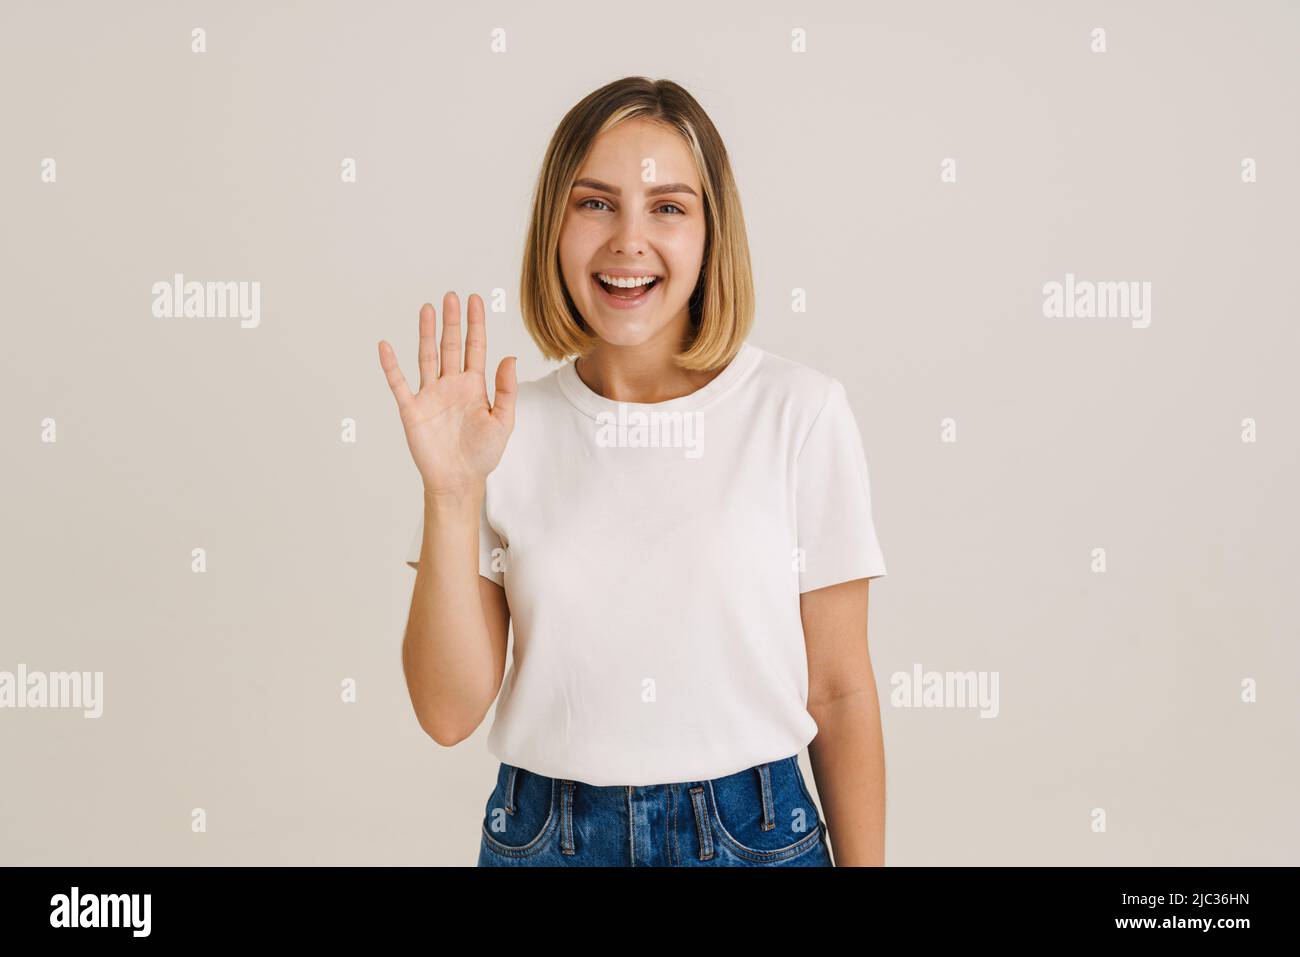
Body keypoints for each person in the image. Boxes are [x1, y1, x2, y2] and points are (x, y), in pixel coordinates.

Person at [378, 77, 887, 866]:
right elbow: (447, 713)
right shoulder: (502, 432)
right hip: (548, 836)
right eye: (595, 203)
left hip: (754, 837)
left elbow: (840, 692)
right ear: (554, 223)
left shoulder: (799, 413)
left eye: (668, 207)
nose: (628, 239)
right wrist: (451, 493)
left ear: (713, 234)